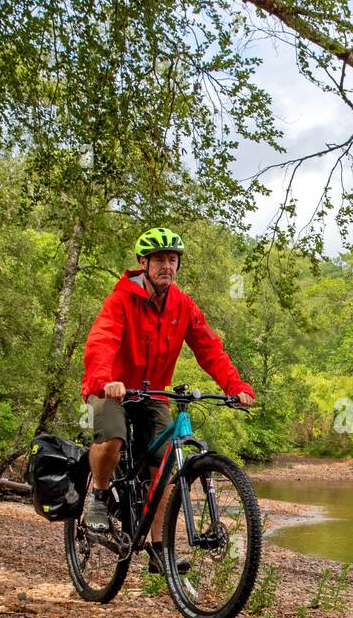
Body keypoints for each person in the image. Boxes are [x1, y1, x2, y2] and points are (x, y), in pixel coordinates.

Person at [79, 227, 255, 575]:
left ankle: (159, 550)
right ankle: (98, 496)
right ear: (143, 263)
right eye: (158, 259)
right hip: (110, 387)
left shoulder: (182, 305)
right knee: (113, 435)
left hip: (153, 393)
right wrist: (104, 380)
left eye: (172, 259)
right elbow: (101, 341)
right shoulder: (120, 299)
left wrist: (235, 385)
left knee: (163, 471)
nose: (166, 266)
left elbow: (209, 349)